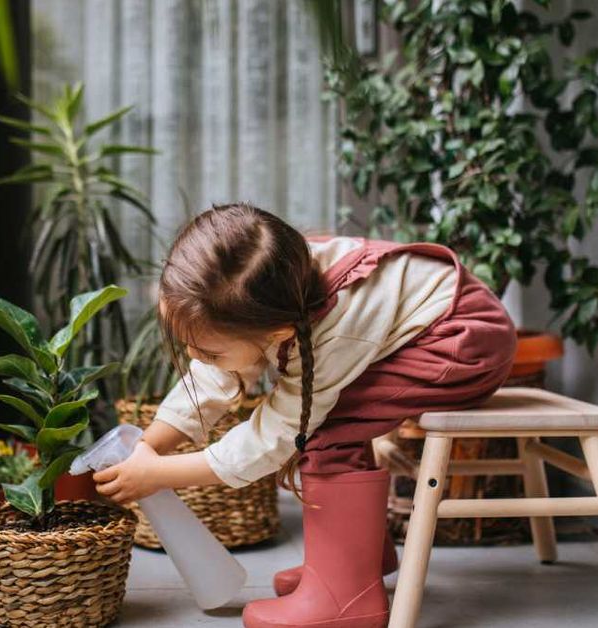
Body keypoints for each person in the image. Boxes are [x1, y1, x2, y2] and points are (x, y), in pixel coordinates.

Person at [94, 203, 517, 628]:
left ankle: (347, 597)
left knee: (322, 432)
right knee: (321, 420)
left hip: (462, 343)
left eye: (206, 350)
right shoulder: (269, 286)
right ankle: (353, 561)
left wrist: (160, 474)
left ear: (276, 333)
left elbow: (275, 437)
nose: (194, 357)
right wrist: (153, 442)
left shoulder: (333, 328)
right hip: (430, 326)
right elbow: (212, 377)